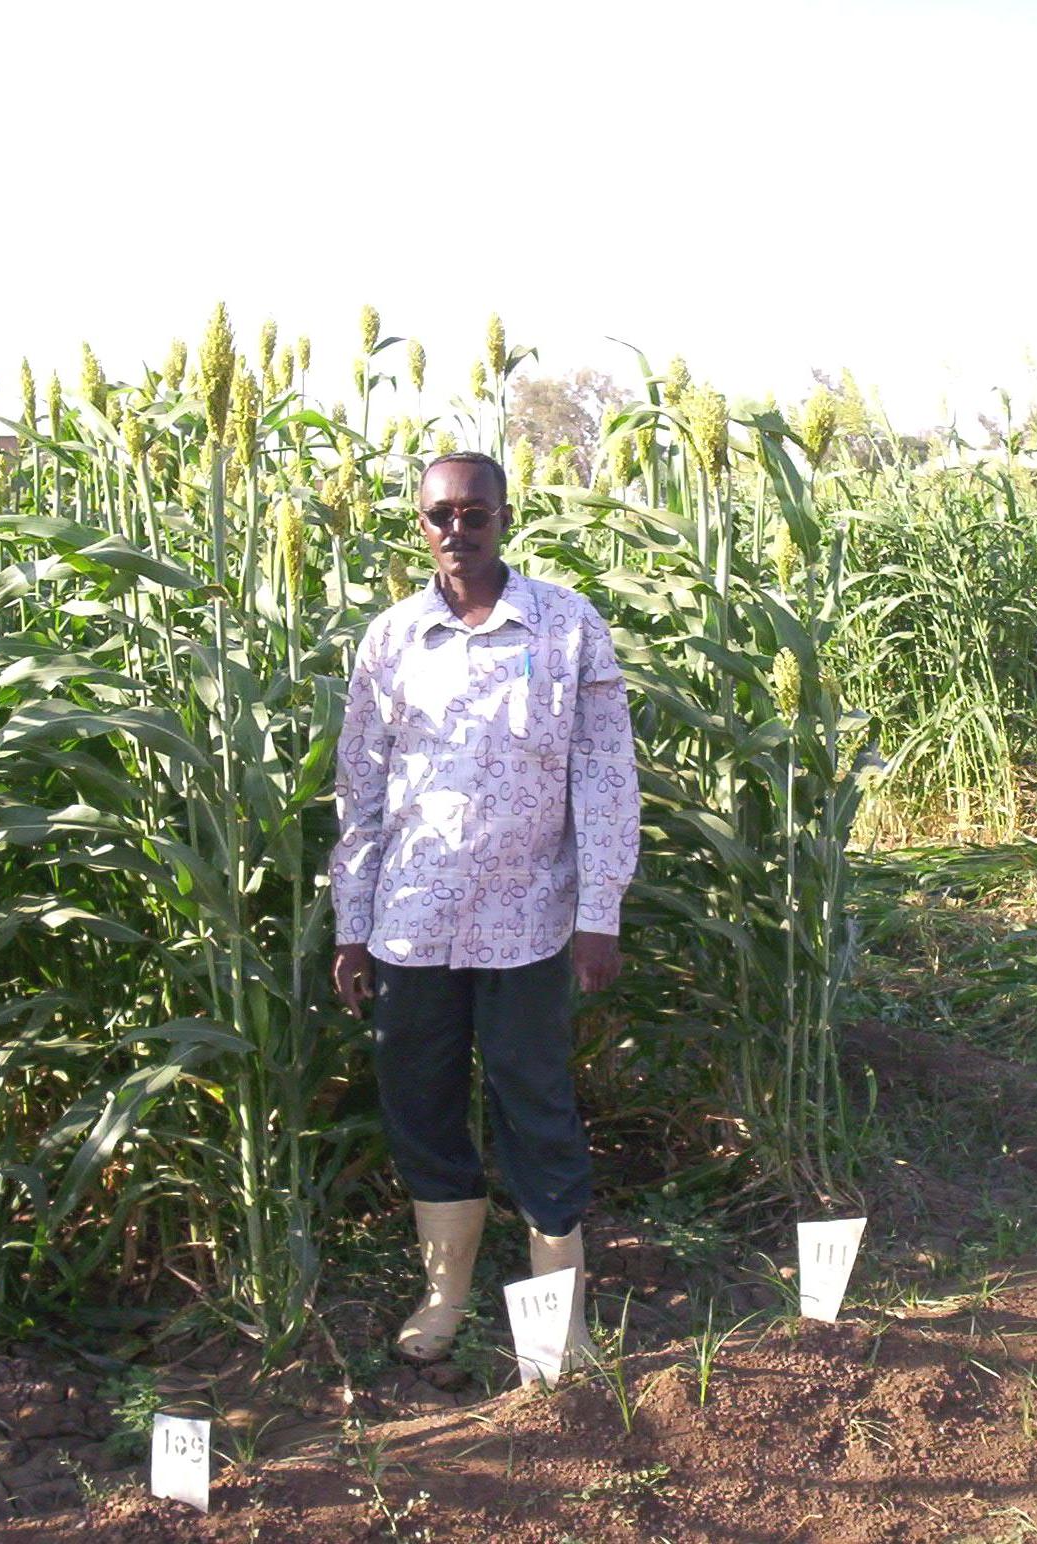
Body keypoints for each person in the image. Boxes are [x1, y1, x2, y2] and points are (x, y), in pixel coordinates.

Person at [329, 450, 640, 1367]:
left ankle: (559, 1329)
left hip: (530, 924)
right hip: (410, 923)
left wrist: (599, 911)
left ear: (506, 515)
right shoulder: (390, 639)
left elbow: (606, 775)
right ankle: (444, 1300)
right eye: (440, 516)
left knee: (535, 1107)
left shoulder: (566, 625)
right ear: (419, 525)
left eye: (475, 513)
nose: (457, 530)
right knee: (420, 1107)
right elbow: (362, 788)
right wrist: (353, 925)